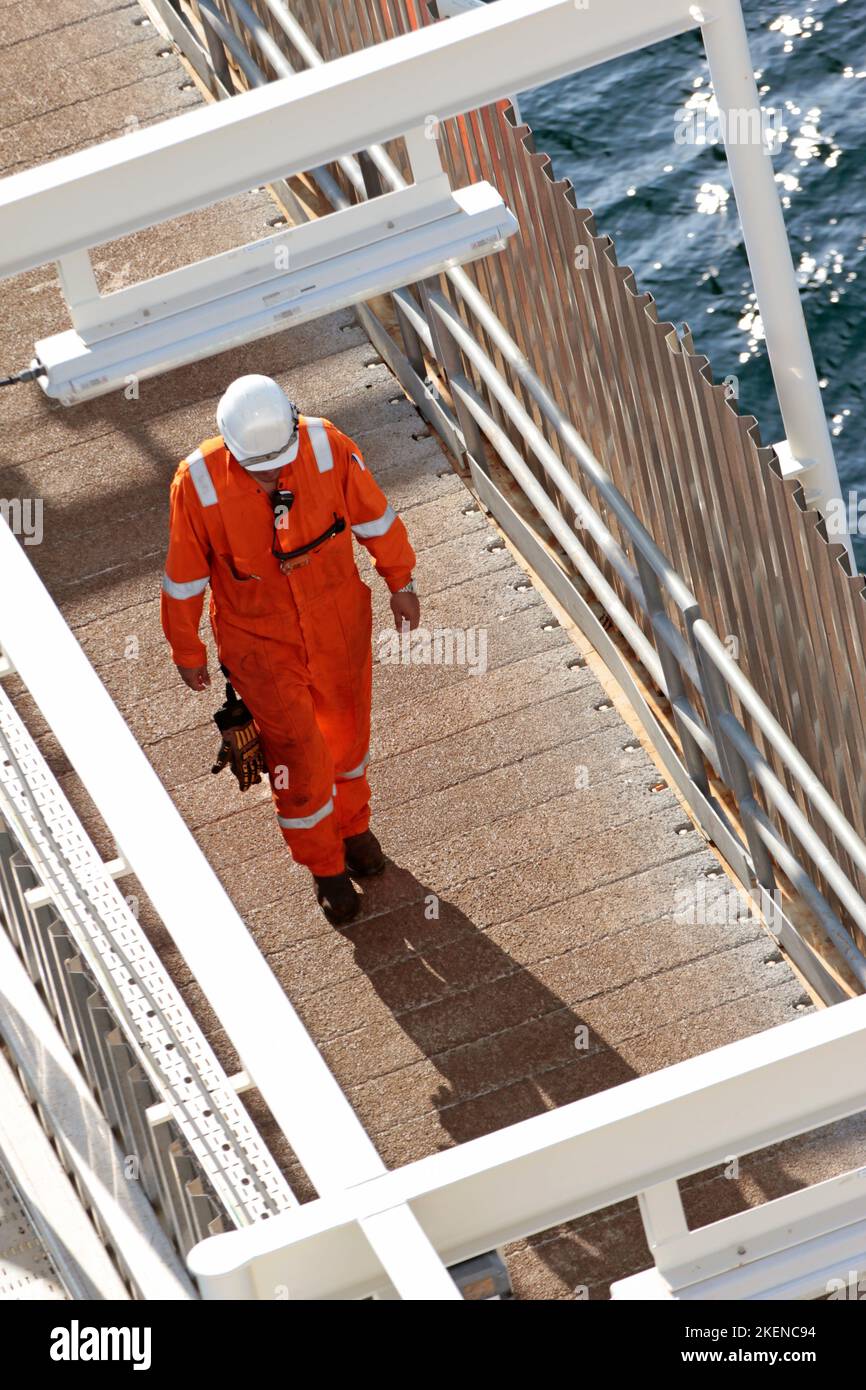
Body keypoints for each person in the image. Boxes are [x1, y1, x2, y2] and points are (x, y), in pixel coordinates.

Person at [160, 373, 420, 923]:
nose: (274, 474)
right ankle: (325, 867)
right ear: (231, 449)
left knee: (348, 737)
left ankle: (354, 830)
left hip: (338, 624)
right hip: (260, 643)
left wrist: (403, 581)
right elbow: (184, 576)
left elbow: (376, 517)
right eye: (259, 469)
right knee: (299, 757)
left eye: (280, 460)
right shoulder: (198, 483)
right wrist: (187, 649)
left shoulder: (328, 446)